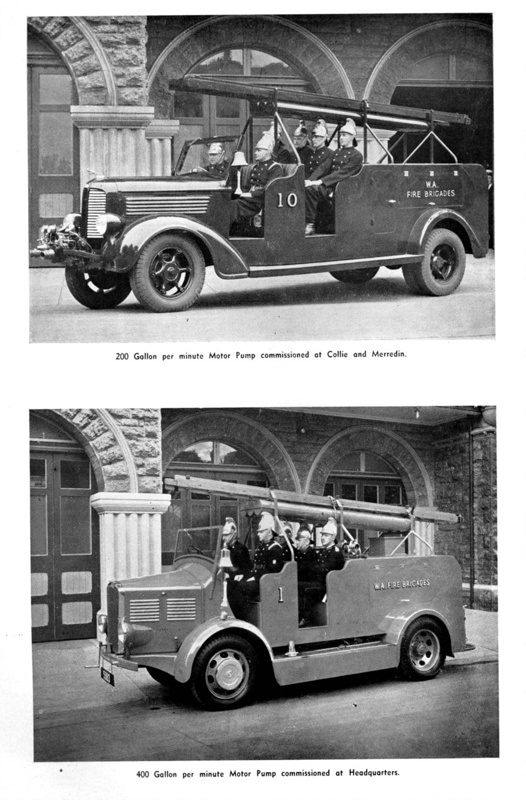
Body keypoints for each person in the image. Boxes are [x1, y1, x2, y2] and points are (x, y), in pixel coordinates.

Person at [304, 117, 363, 235]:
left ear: (352, 137)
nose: (341, 137)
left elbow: (343, 173)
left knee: (311, 189)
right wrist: (309, 180)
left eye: (345, 135)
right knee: (307, 187)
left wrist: (319, 182)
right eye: (341, 135)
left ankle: (310, 224)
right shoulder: (336, 152)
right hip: (329, 186)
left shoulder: (357, 156)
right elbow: (323, 168)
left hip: (341, 188)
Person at [227, 511, 284, 615]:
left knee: (241, 587)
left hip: (267, 582)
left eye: (261, 532)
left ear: (269, 532)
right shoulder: (261, 547)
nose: (258, 534)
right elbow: (255, 568)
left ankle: (241, 616)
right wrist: (244, 575)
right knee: (232, 584)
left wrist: (254, 578)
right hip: (258, 578)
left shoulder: (275, 549)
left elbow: (271, 571)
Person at [299, 517, 344, 626]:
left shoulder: (336, 553)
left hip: (327, 586)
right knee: (298, 585)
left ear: (333, 537)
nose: (322, 538)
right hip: (319, 583)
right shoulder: (323, 551)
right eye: (322, 535)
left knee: (304, 588)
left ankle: (305, 618)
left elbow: (325, 569)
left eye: (326, 535)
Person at [231, 133, 282, 229]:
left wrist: (250, 194)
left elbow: (270, 188)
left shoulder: (275, 167)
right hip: (252, 198)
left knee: (235, 204)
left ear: (268, 151)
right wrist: (239, 192)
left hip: (261, 200)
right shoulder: (256, 166)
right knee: (230, 201)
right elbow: (250, 185)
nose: (255, 153)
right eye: (256, 150)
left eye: (259, 150)